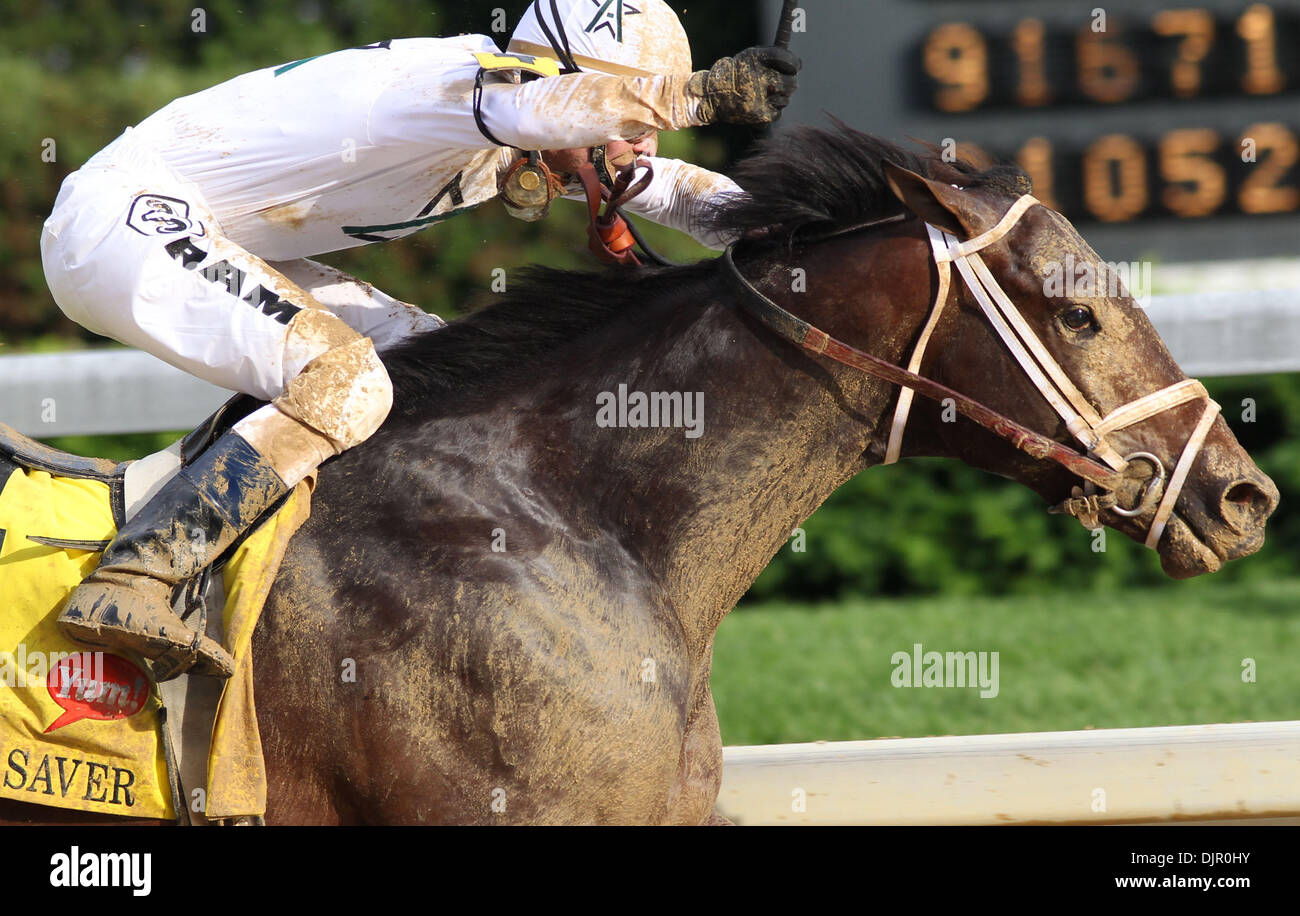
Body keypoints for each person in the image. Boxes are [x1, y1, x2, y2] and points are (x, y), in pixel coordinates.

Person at [40, 0, 800, 680]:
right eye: (630, 121)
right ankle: (136, 575)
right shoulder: (462, 84)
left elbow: (663, 184)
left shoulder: (519, 127)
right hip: (124, 223)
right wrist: (699, 94)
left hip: (201, 228)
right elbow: (554, 110)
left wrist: (794, 232)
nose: (643, 140)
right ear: (556, 82)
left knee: (440, 369)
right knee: (349, 379)